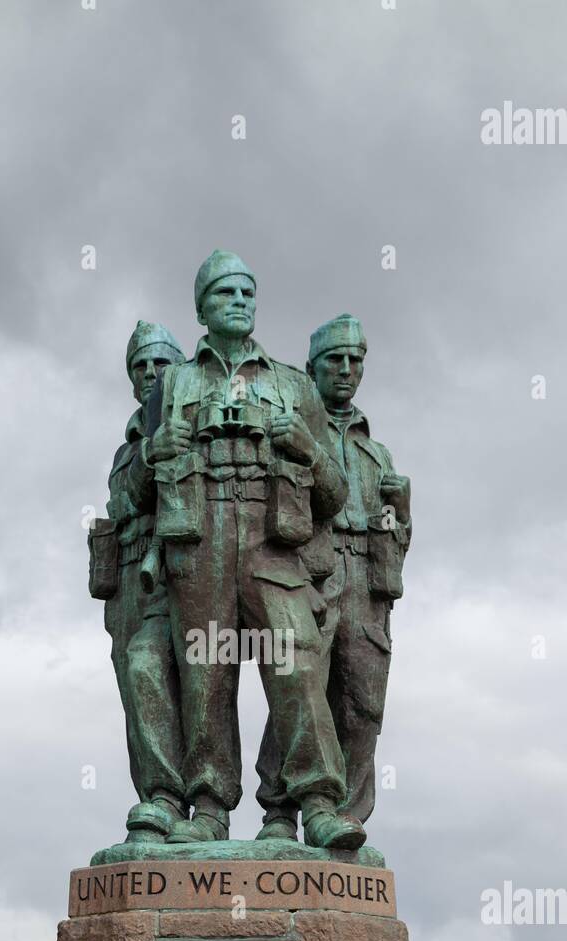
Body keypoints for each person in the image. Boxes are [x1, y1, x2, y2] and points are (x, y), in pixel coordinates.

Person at [135, 252, 365, 850]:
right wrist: (158, 448)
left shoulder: (292, 384)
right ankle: (209, 806)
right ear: (201, 308)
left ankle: (316, 802)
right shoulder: (175, 383)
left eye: (247, 292)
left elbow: (335, 497)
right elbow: (136, 492)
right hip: (200, 540)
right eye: (224, 293)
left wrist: (309, 449)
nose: (238, 301)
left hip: (273, 548)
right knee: (206, 678)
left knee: (297, 668)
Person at [255, 314, 411, 837]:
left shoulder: (376, 452)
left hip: (368, 580)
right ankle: (279, 807)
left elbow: (398, 536)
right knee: (300, 686)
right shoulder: (295, 432)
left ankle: (347, 816)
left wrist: (401, 511)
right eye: (334, 360)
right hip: (313, 571)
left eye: (355, 360)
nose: (346, 370)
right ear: (311, 369)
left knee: (364, 704)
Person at [90, 321, 189, 841]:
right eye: (140, 366)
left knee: (164, 673)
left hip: (178, 571)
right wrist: (149, 456)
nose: (150, 374)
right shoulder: (129, 444)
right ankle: (156, 802)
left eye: (160, 364)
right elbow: (124, 501)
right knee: (136, 691)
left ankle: (179, 797)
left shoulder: (189, 421)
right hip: (127, 576)